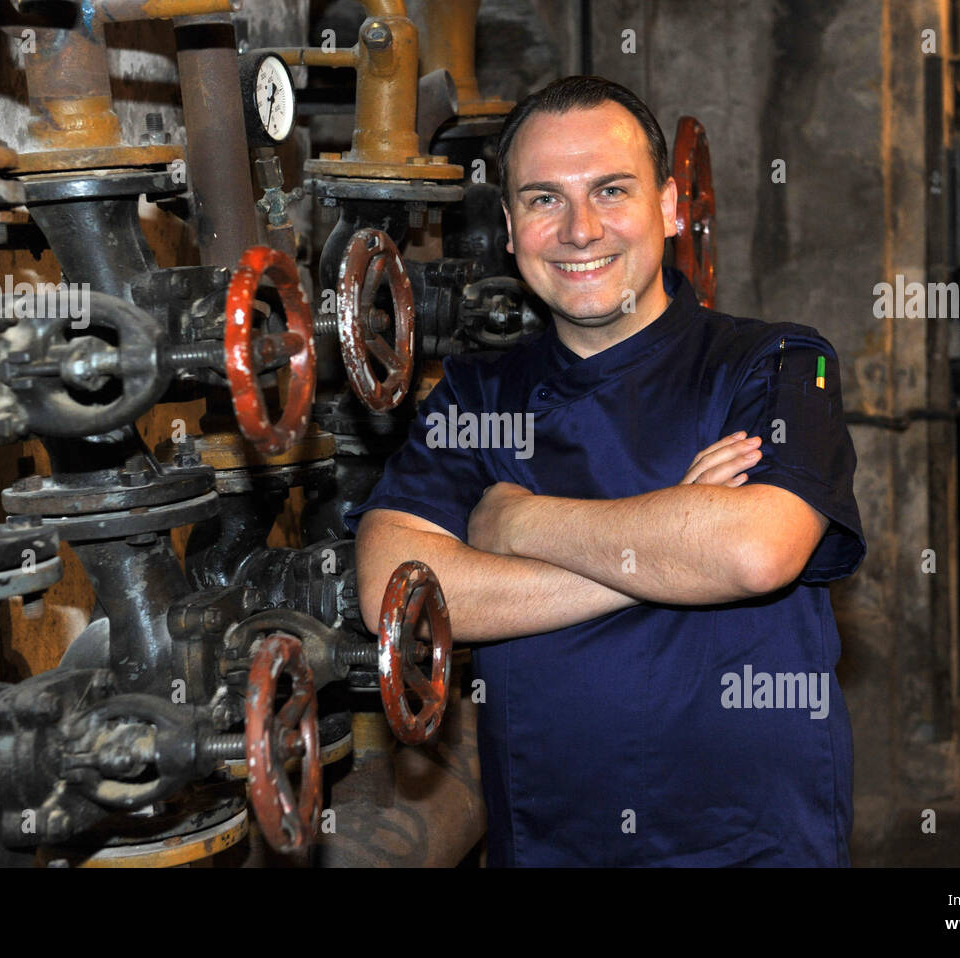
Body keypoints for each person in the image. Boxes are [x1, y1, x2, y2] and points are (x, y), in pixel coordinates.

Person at [345, 76, 866, 866]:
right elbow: (399, 596)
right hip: (557, 842)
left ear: (667, 206)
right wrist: (673, 544)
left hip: (753, 845)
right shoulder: (479, 393)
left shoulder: (776, 363)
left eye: (611, 190)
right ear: (511, 230)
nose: (580, 230)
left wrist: (518, 524)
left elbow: (756, 551)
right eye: (544, 199)